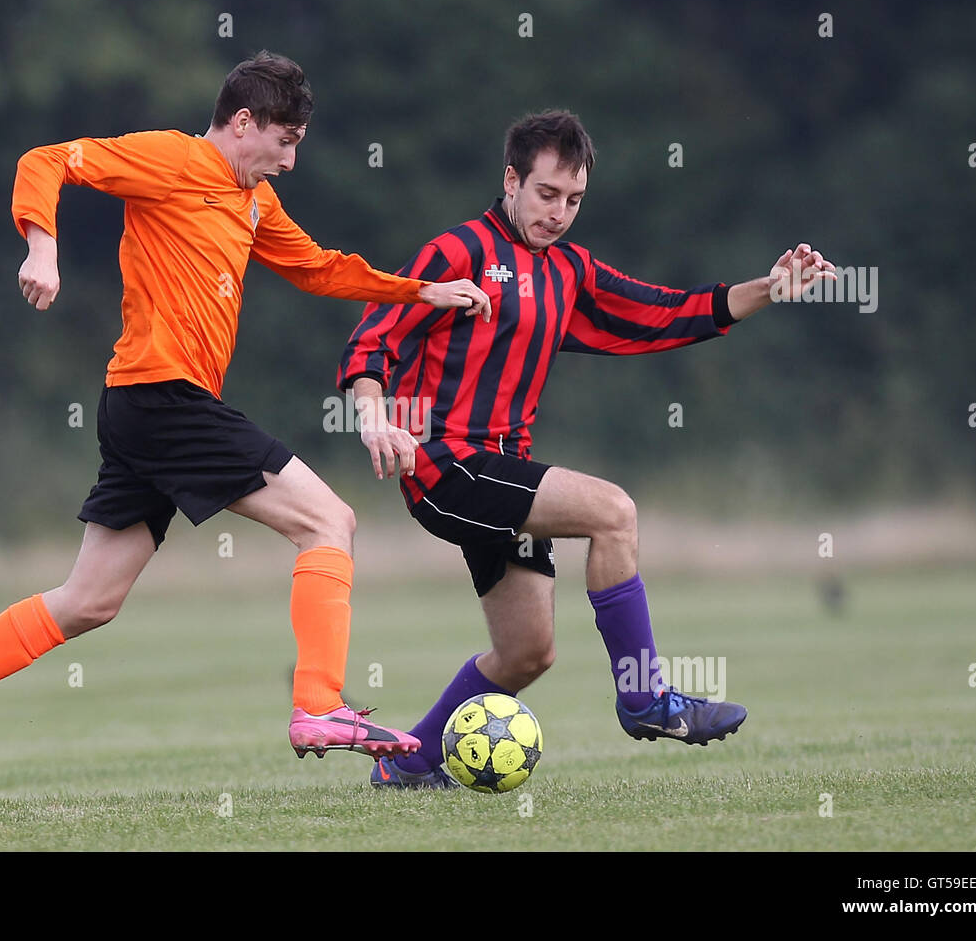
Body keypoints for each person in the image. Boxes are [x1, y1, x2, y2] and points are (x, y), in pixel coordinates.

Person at [0, 51, 492, 803]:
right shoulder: (171, 159)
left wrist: (421, 290)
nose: (292, 159)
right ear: (241, 123)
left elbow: (320, 268)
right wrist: (43, 245)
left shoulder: (253, 200)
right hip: (164, 399)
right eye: (285, 141)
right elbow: (46, 160)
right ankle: (319, 703)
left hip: (140, 408)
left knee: (88, 600)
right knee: (329, 522)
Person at [338, 110, 834, 788]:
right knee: (613, 511)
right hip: (445, 464)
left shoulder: (570, 271)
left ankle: (410, 764)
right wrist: (371, 414)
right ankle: (646, 699)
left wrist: (769, 289)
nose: (559, 213)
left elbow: (664, 313)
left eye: (573, 200)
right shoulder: (458, 252)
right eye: (546, 194)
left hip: (500, 475)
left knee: (526, 654)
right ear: (510, 180)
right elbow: (374, 335)